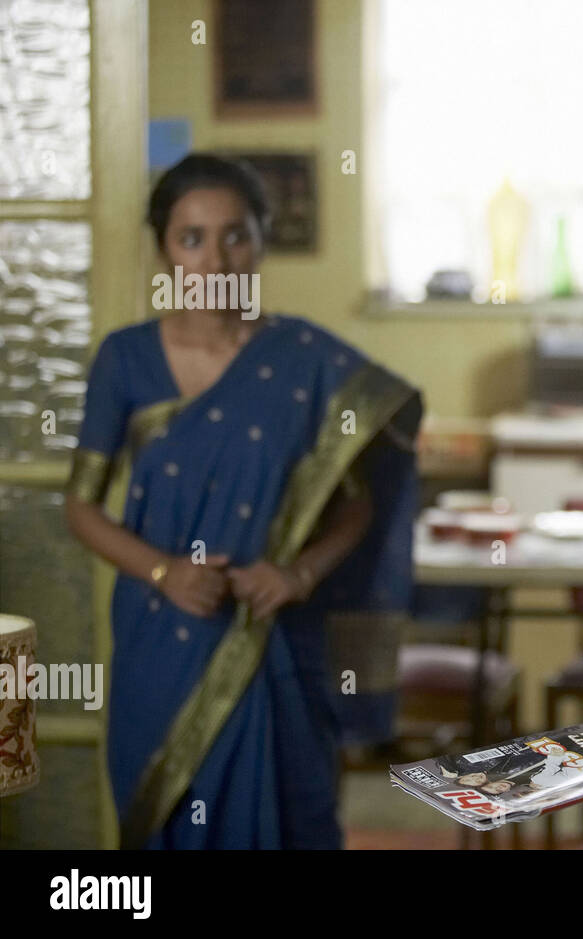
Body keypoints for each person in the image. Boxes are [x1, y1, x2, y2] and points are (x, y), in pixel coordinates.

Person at [65, 154, 422, 848]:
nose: (215, 258)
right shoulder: (125, 359)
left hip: (277, 640)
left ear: (261, 241)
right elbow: (81, 509)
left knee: (293, 819)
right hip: (162, 639)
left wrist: (298, 574)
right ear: (165, 249)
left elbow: (357, 504)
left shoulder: (307, 361)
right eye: (191, 238)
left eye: (236, 235)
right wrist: (166, 572)